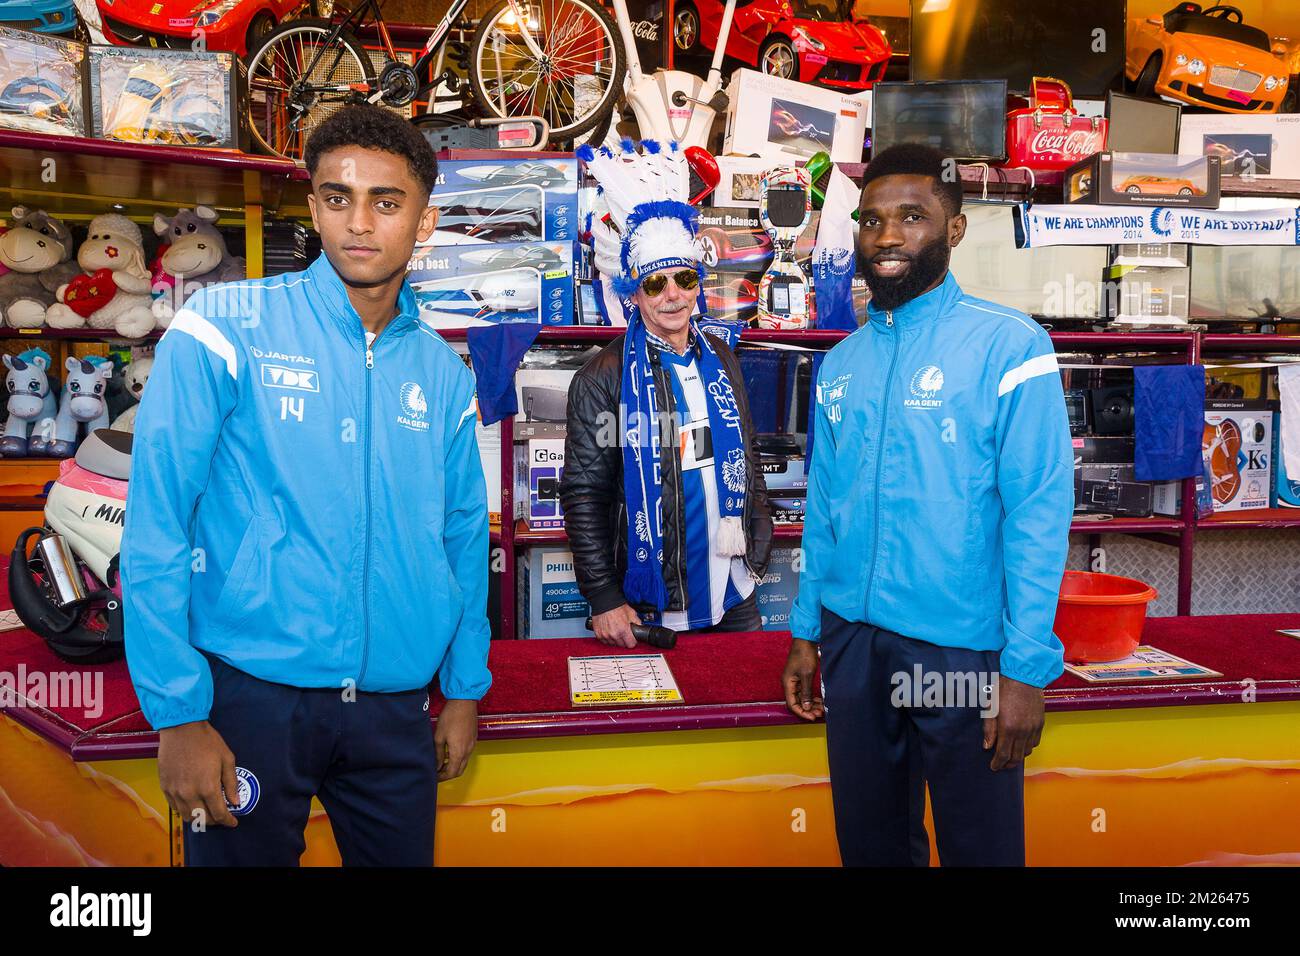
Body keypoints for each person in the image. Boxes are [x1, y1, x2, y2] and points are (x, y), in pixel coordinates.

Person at [121, 105, 491, 866]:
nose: (359, 222)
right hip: (249, 701)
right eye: (336, 197)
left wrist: (464, 689)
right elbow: (157, 524)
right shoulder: (222, 328)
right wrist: (178, 712)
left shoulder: (444, 372)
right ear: (314, 208)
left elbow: (461, 535)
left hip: (394, 710)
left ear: (424, 222)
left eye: (386, 202)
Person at [782, 143, 1073, 866]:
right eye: (872, 220)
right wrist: (805, 628)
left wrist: (1026, 668)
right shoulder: (842, 362)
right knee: (871, 847)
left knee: (981, 849)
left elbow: (1039, 513)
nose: (886, 236)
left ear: (955, 228)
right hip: (853, 645)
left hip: (962, 652)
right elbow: (825, 507)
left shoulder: (1011, 346)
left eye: (912, 217)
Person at [561, 141, 773, 647]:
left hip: (735, 589)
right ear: (634, 293)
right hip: (652, 602)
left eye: (683, 278)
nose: (673, 294)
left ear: (698, 283)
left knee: (741, 716)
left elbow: (747, 454)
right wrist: (605, 598)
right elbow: (584, 495)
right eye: (655, 284)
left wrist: (758, 543)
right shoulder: (602, 378)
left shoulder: (721, 357)